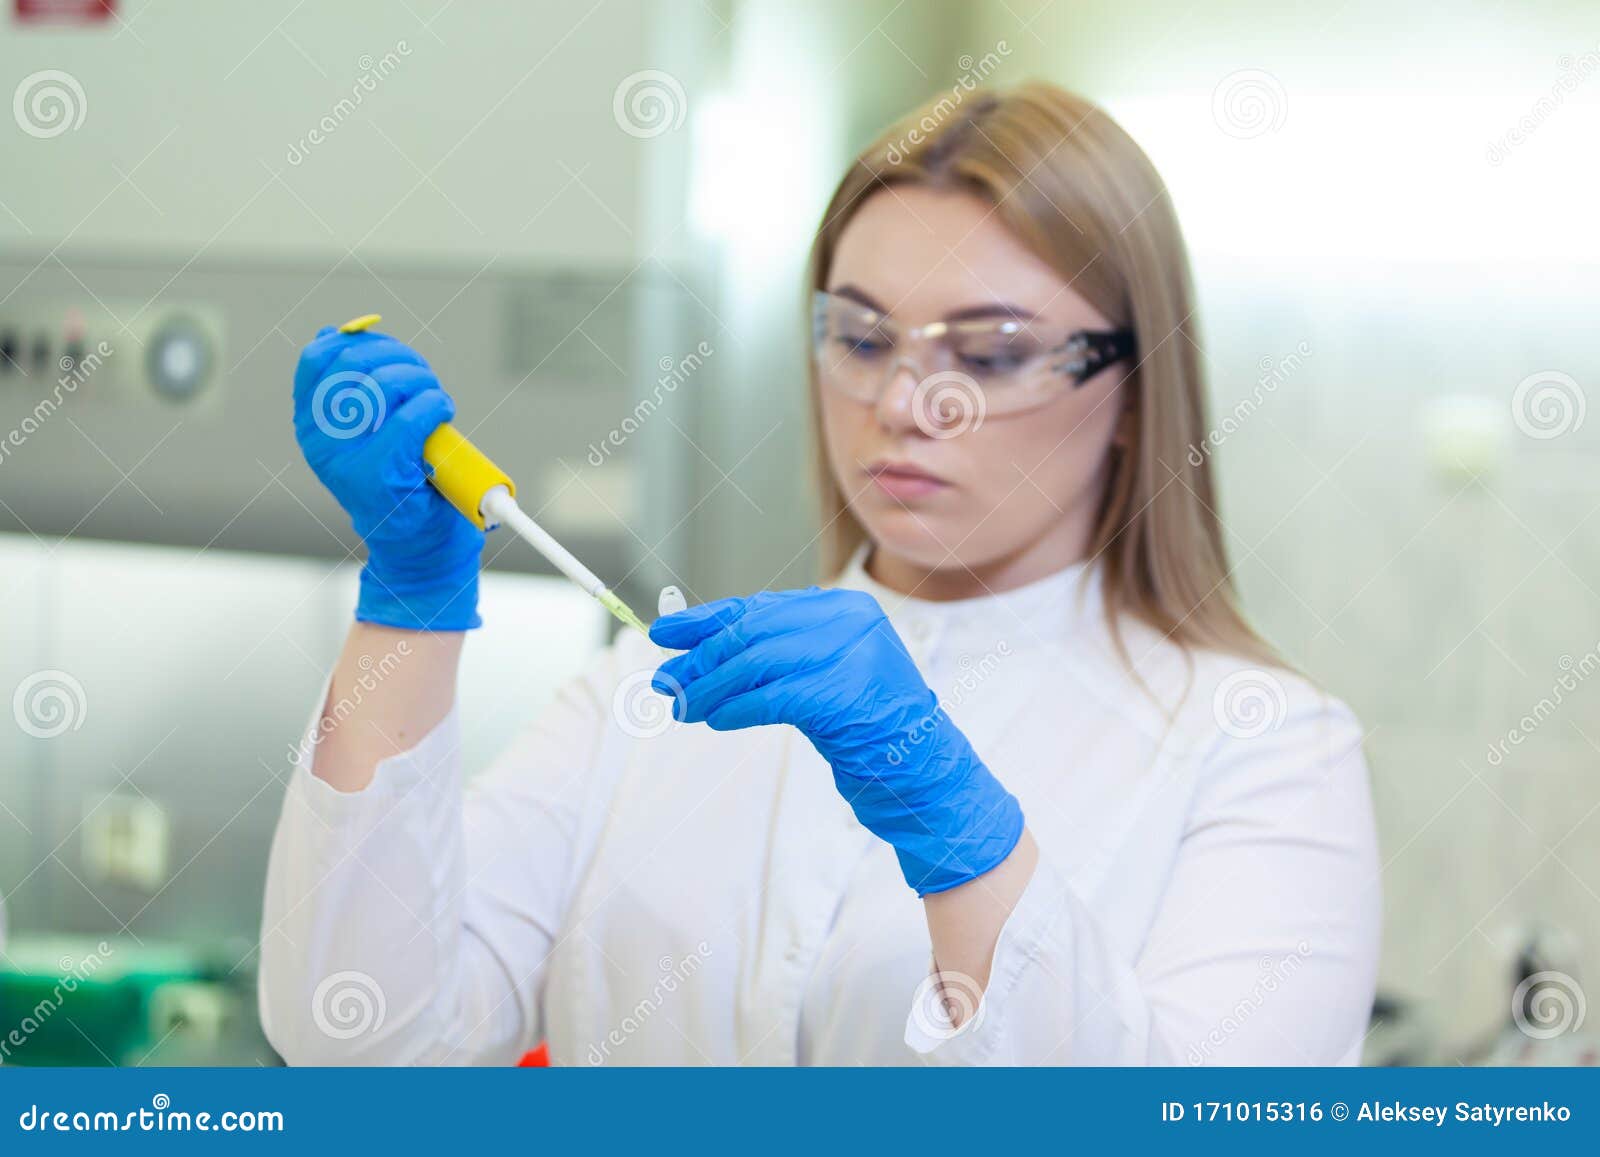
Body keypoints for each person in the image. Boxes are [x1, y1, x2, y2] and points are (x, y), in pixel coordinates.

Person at [259, 82, 1379, 1066]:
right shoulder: (646, 693)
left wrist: (959, 827)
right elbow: (364, 1039)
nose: (904, 403)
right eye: (859, 334)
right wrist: (409, 599)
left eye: (987, 353)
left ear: (1133, 391)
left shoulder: (1260, 747)